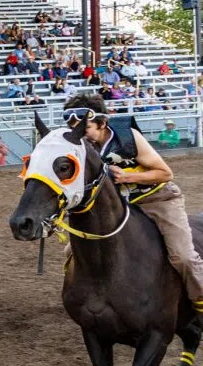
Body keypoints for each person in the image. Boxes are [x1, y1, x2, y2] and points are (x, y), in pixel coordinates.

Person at [63, 94, 203, 316]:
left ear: (102, 122)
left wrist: (127, 177)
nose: (80, 133)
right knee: (72, 250)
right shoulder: (80, 147)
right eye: (73, 127)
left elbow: (166, 173)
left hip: (158, 199)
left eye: (85, 127)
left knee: (183, 256)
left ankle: (198, 298)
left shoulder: (129, 137)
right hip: (122, 207)